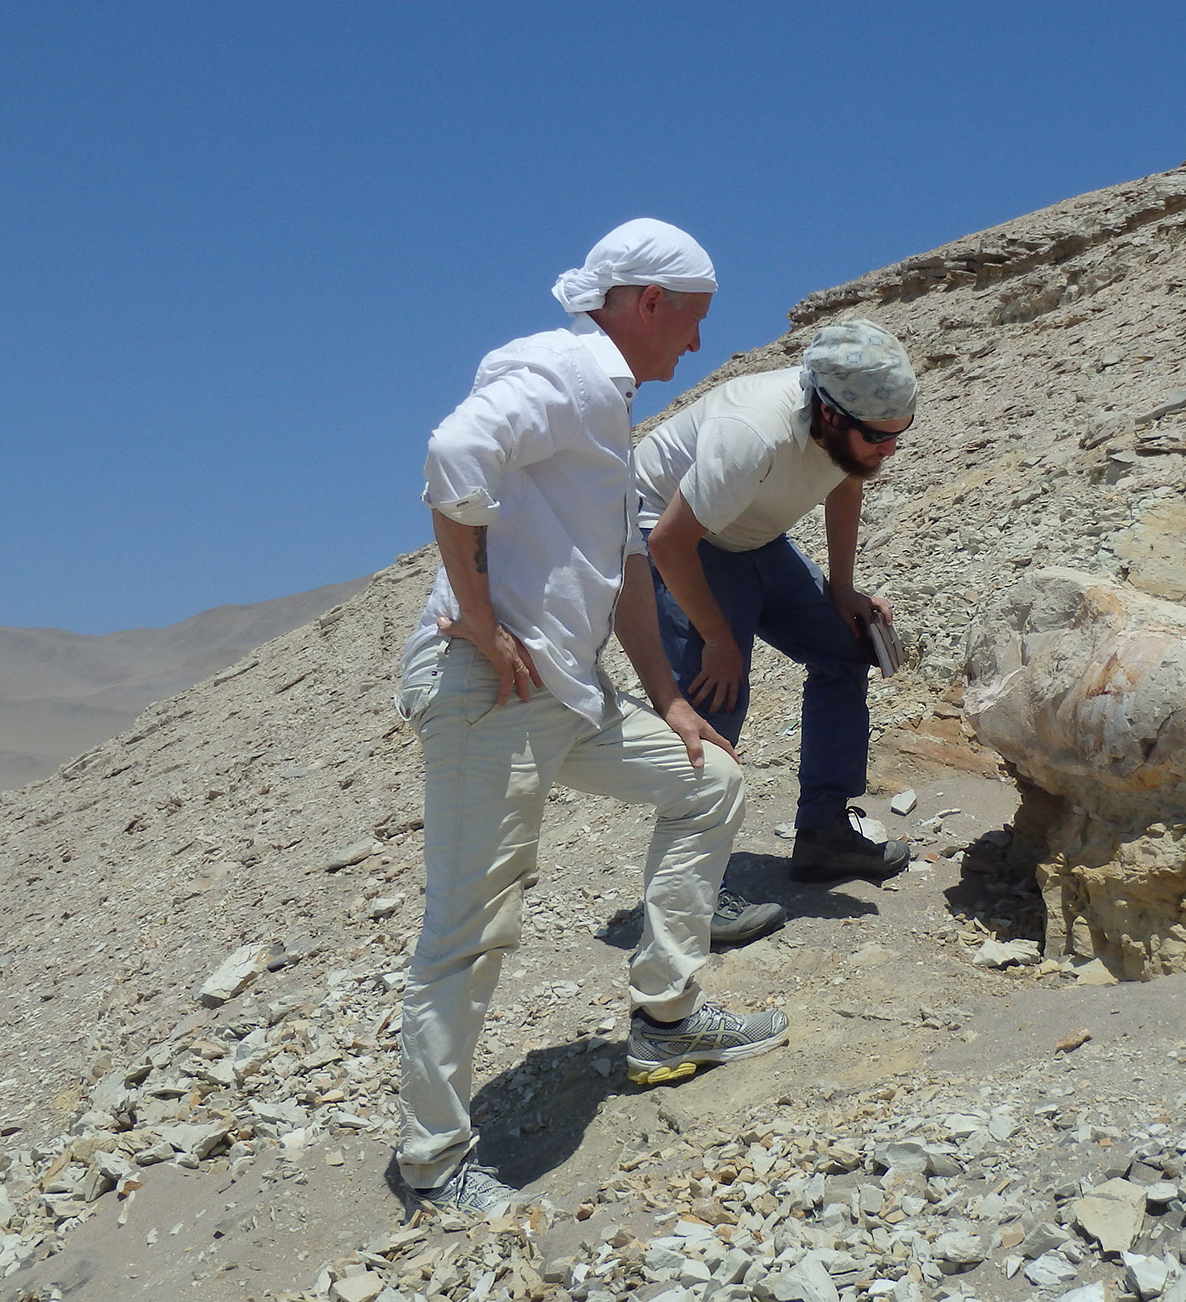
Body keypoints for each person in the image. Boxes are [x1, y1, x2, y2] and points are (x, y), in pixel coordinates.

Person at [390, 219, 789, 1215]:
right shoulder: (565, 374)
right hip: (493, 693)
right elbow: (453, 452)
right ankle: (434, 1162)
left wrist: (667, 700)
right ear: (648, 305)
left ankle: (666, 1017)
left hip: (566, 690)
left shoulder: (605, 405)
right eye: (691, 321)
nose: (696, 344)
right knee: (468, 932)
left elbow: (626, 570)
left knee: (709, 782)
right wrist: (477, 619)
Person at [635, 319, 918, 883]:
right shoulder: (753, 433)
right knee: (714, 700)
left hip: (754, 538)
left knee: (845, 647)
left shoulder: (840, 424)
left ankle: (824, 834)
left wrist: (841, 590)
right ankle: (690, 892)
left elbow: (846, 480)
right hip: (682, 542)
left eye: (899, 434)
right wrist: (718, 639)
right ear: (831, 414)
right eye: (878, 437)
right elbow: (669, 542)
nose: (889, 450)